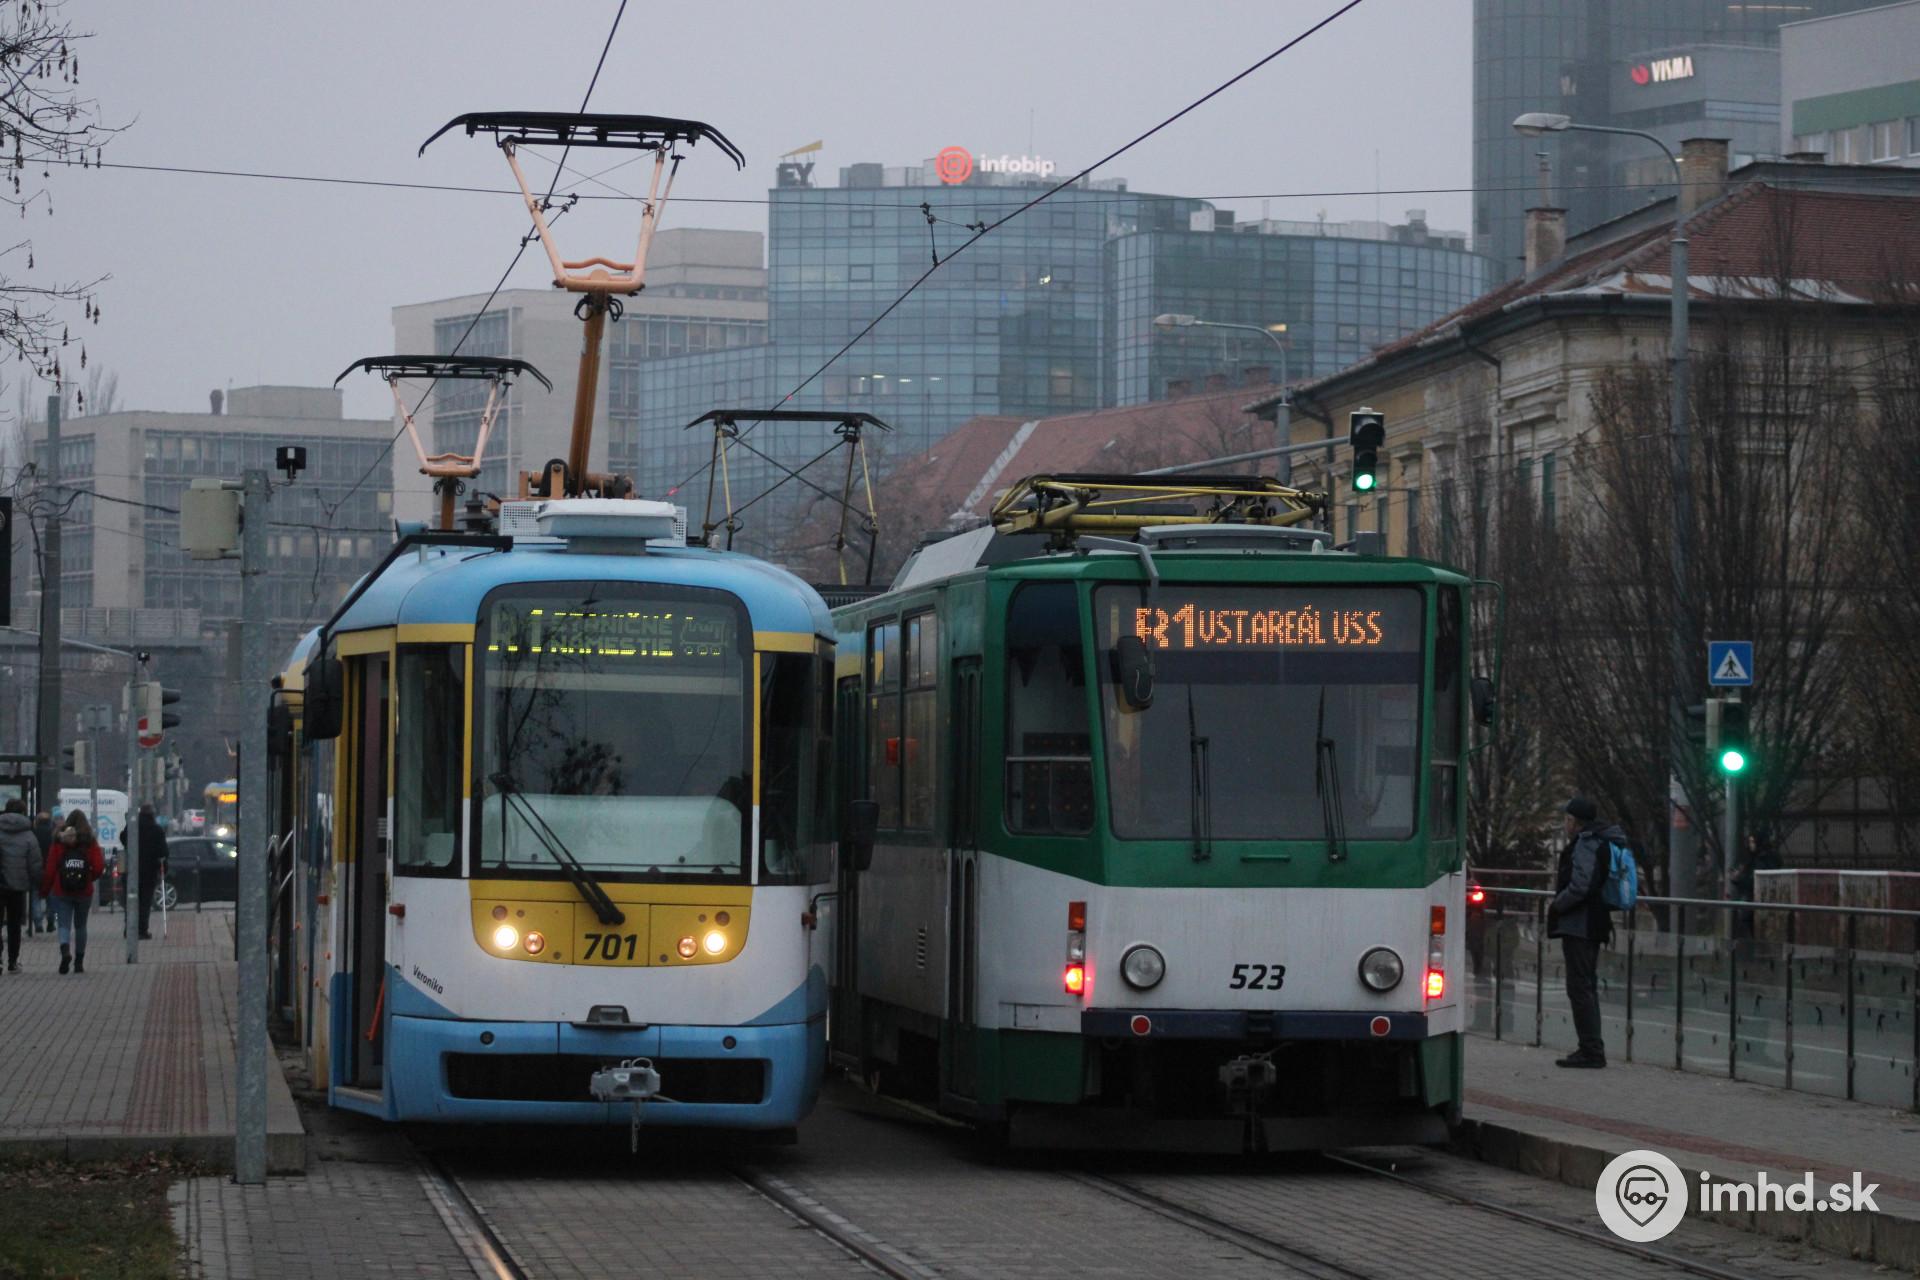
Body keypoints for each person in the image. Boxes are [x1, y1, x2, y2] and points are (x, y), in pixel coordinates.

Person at [1549, 796, 1625, 1069]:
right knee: (1586, 986)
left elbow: (1581, 885)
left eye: (1567, 819)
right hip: (1594, 922)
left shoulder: (1586, 843)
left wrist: (1557, 905)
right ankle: (1591, 1048)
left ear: (1574, 821)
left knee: (1580, 987)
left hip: (1581, 924)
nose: (1565, 824)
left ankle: (1591, 1050)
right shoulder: (1601, 840)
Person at [41, 809, 103, 975]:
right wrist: (88, 878)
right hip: (84, 891)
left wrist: (45, 890)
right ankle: (79, 962)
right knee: (81, 926)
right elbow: (98, 867)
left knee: (63, 924)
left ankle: (65, 951)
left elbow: (50, 869)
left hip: (61, 890)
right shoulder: (89, 841)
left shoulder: (59, 840)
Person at [0, 799, 39, 972]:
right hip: (18, 886)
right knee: (14, 925)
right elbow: (35, 864)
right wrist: (39, 884)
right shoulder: (29, 836)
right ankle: (12, 961)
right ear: (23, 813)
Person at [136, 804, 169, 940]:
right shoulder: (157, 830)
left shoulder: (133, 828)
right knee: (145, 901)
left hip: (133, 870)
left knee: (133, 900)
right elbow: (163, 851)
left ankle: (130, 928)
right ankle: (142, 929)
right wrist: (164, 867)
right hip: (150, 870)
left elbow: (123, 839)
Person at [29, 809, 52, 934]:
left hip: (35, 868)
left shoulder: (32, 833)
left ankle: (38, 923)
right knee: (51, 897)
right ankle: (51, 920)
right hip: (49, 869)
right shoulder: (53, 833)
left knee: (35, 896)